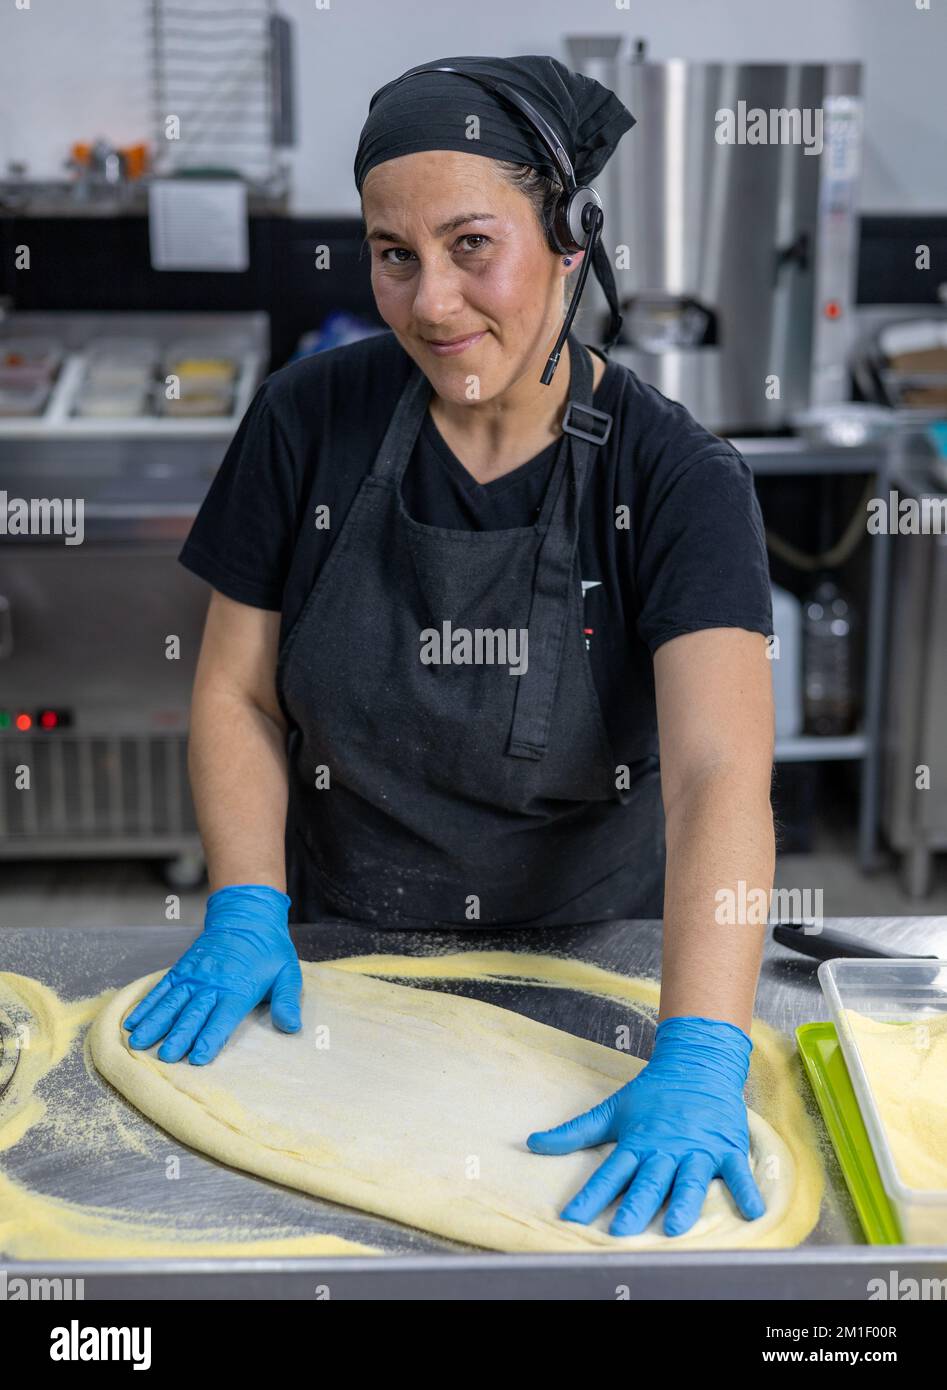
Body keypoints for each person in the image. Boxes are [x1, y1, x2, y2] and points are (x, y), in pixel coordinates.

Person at [124, 54, 775, 1239]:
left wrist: (700, 1045)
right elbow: (233, 693)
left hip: (599, 973)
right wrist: (247, 904)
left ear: (569, 241)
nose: (430, 302)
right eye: (394, 255)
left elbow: (718, 771)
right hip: (332, 965)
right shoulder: (304, 419)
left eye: (473, 246)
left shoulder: (674, 478)